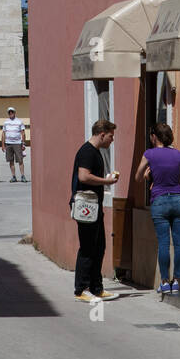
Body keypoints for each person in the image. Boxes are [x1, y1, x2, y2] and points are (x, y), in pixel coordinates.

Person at [135, 123, 180, 295]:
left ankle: (165, 282)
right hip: (178, 200)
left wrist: (147, 176)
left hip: (159, 200)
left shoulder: (149, 154)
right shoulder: (178, 154)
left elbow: (137, 177)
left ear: (154, 137)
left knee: (164, 243)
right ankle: (177, 281)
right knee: (179, 242)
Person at [70, 119, 118, 301]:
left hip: (93, 206)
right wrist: (107, 181)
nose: (112, 140)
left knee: (98, 246)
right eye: (111, 136)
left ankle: (96, 288)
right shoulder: (87, 152)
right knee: (88, 247)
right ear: (102, 134)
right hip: (86, 207)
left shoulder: (95, 152)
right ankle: (81, 290)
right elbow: (83, 176)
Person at [1, 107, 28, 183]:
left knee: (20, 160)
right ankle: (13, 176)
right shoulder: (6, 122)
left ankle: (22, 176)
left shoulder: (19, 121)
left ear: (14, 113)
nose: (11, 113)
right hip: (8, 143)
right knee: (11, 160)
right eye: (9, 112)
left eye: (12, 112)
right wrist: (3, 144)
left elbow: (23, 133)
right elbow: (3, 133)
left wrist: (23, 143)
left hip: (17, 143)